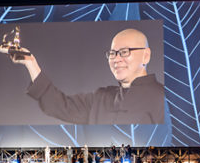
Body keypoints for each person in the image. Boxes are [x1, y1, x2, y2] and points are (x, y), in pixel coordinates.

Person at [13, 28, 164, 124]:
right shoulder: (101, 97)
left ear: (146, 56)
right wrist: (31, 63)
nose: (116, 59)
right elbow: (59, 105)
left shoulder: (164, 98)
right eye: (112, 53)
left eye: (125, 52)